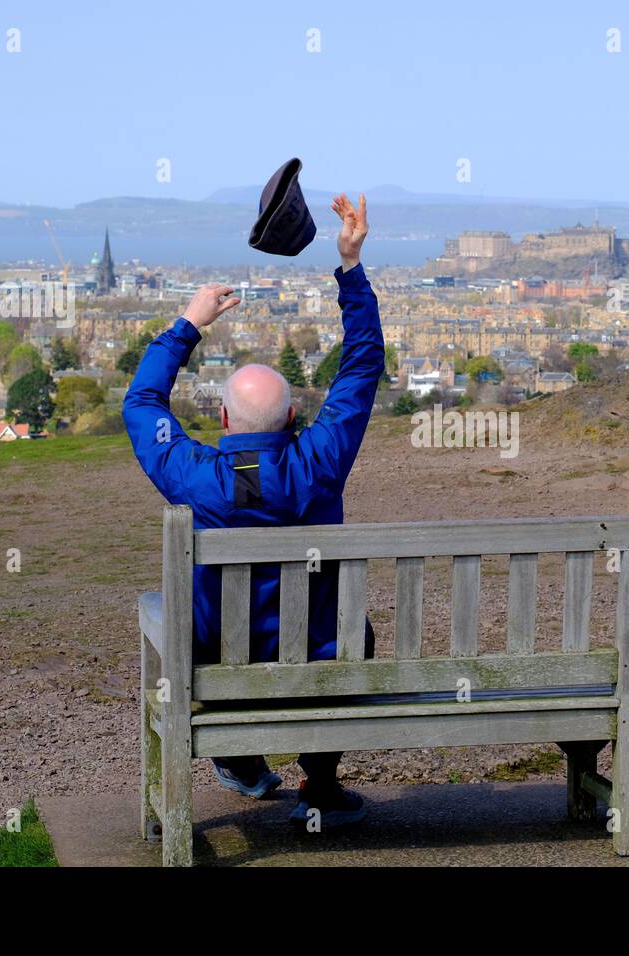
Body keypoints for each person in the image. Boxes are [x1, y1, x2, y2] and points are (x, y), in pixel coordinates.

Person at [123, 193, 382, 828]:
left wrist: (189, 322)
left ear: (221, 422)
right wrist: (349, 265)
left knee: (181, 618)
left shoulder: (202, 479)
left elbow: (141, 405)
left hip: (221, 662)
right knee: (358, 632)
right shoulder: (319, 463)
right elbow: (362, 369)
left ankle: (239, 756)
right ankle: (319, 786)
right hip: (318, 659)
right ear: (294, 418)